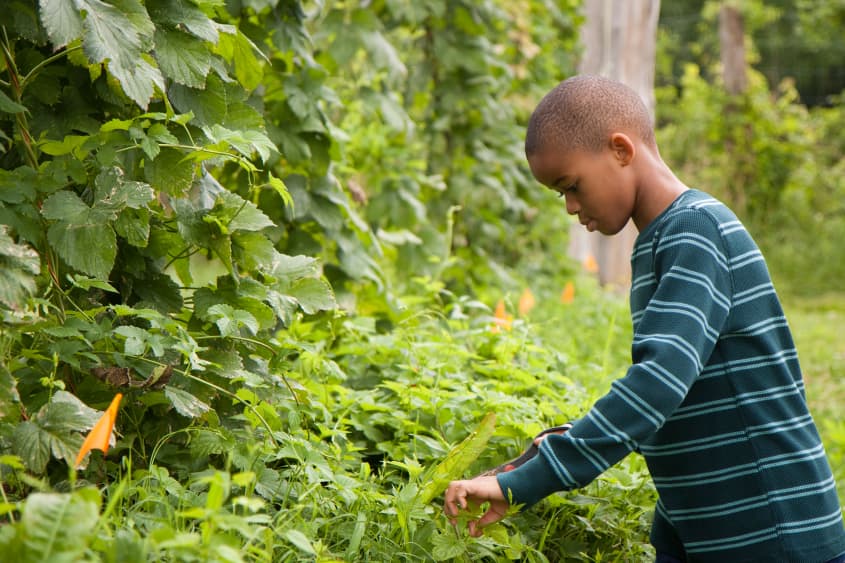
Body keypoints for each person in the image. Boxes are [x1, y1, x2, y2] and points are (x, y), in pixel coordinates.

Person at [443, 75, 845, 563]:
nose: (570, 207)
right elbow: (677, 402)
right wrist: (540, 455)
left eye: (572, 186)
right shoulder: (660, 244)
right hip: (711, 531)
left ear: (620, 150)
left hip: (773, 531)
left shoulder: (695, 232)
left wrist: (528, 481)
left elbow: (657, 387)